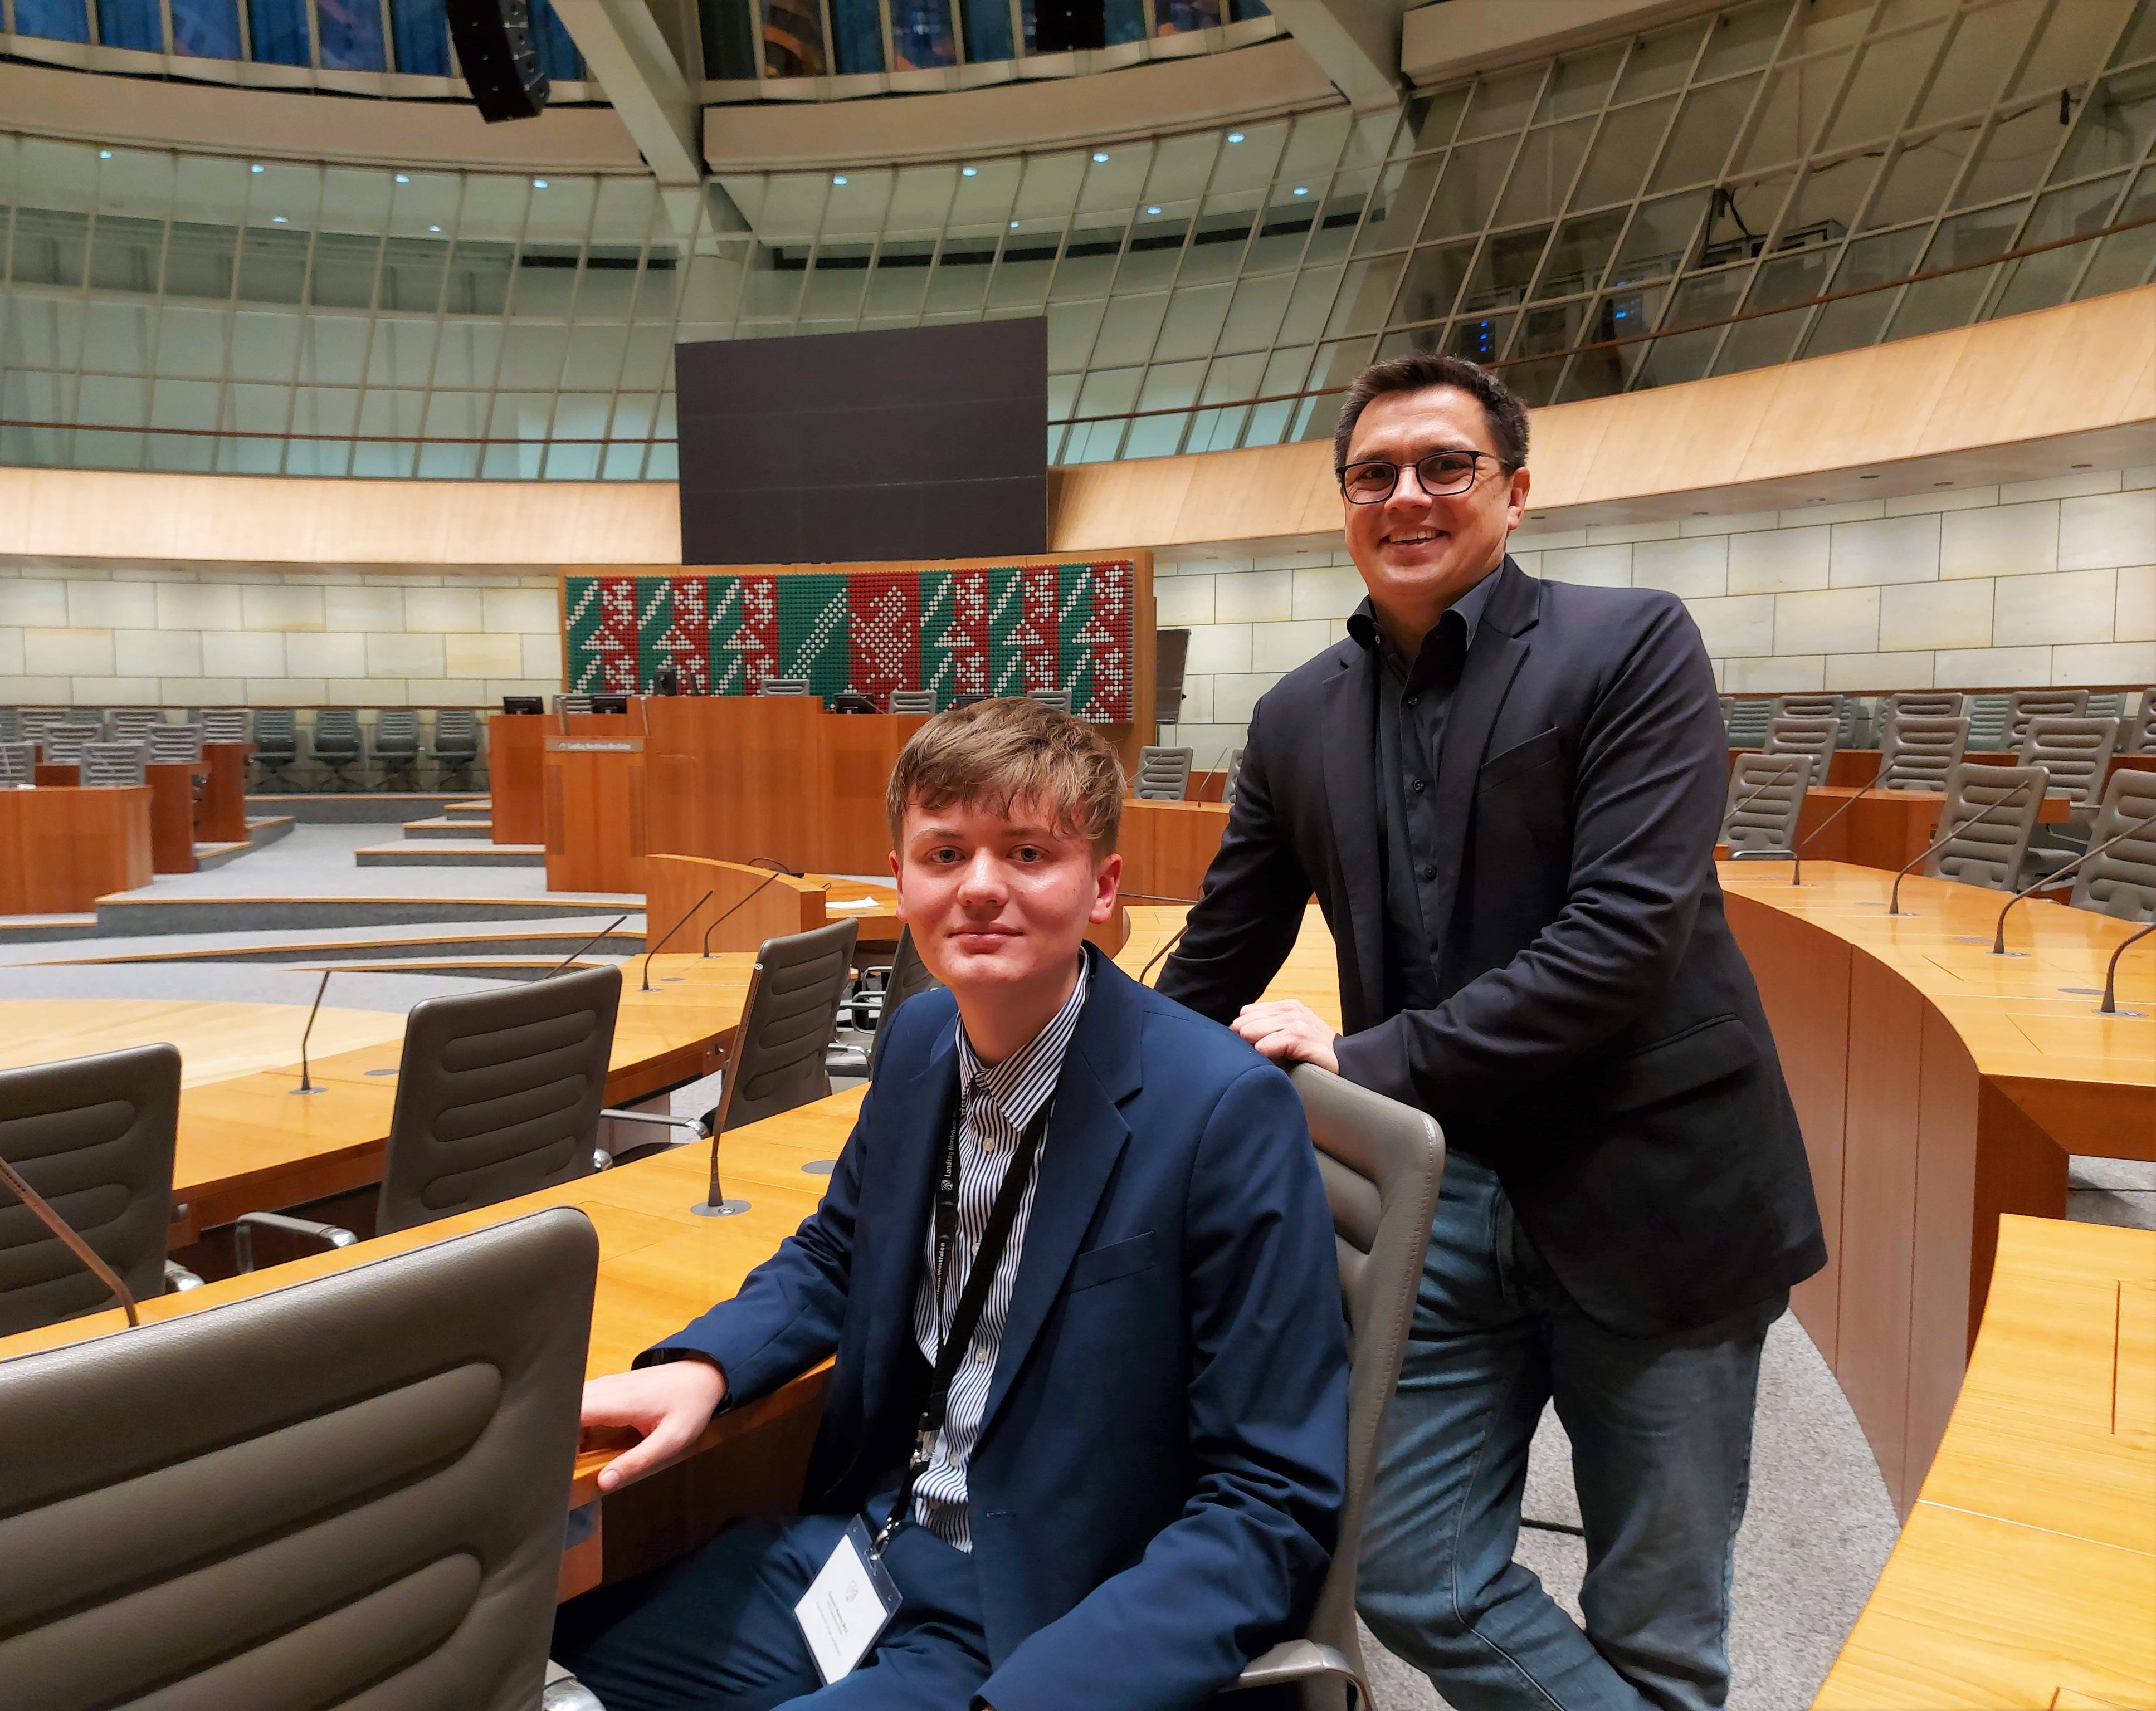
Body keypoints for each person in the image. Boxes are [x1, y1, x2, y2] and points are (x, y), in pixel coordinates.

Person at [1155, 353, 1826, 1711]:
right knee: (1405, 1570)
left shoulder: (1631, 644)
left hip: (1656, 1189)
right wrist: (1043, 1077)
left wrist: (1364, 1060)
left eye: (1442, 466)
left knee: (1656, 1620)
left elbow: (1621, 940)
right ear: (1341, 504)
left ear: (1512, 491)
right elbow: (1211, 956)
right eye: (1371, 473)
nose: (1404, 494)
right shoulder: (1293, 718)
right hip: (1445, 1205)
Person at [554, 696, 1348, 1711]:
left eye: (1027, 853)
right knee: (523, 1652)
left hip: (1043, 1615)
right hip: (873, 1545)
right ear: (899, 880)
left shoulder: (1220, 1112)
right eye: (943, 855)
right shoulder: (922, 1042)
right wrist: (708, 1365)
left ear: (1104, 889)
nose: (980, 889)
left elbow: (1269, 1496)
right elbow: (839, 1252)